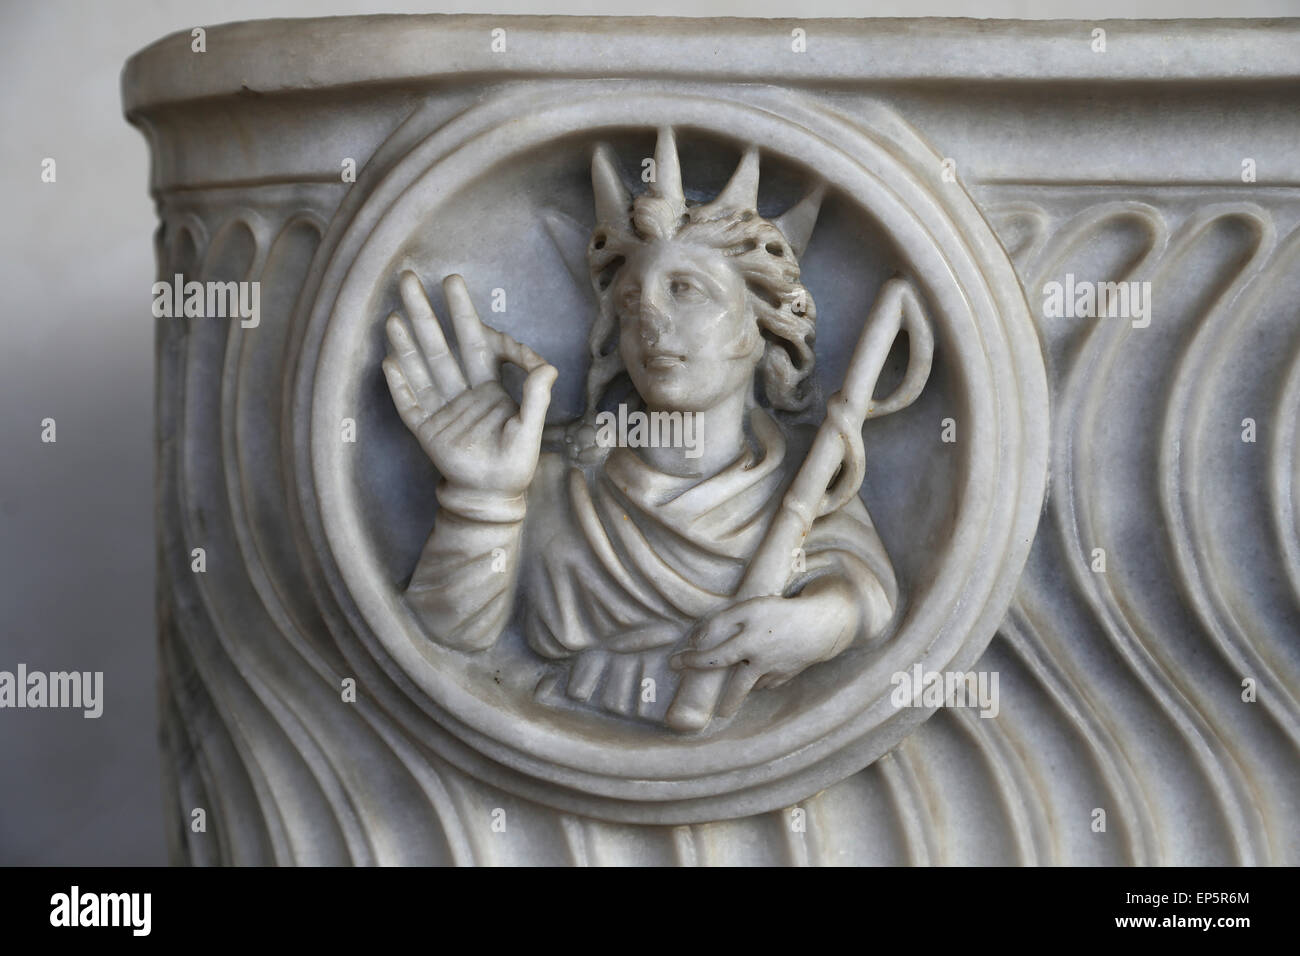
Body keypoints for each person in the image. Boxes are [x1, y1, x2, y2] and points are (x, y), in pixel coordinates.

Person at [382, 128, 897, 730]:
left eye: (685, 290)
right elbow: (447, 637)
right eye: (629, 304)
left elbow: (867, 593)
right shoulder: (552, 483)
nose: (649, 321)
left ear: (761, 325)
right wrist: (481, 499)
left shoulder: (810, 484)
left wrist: (823, 622)